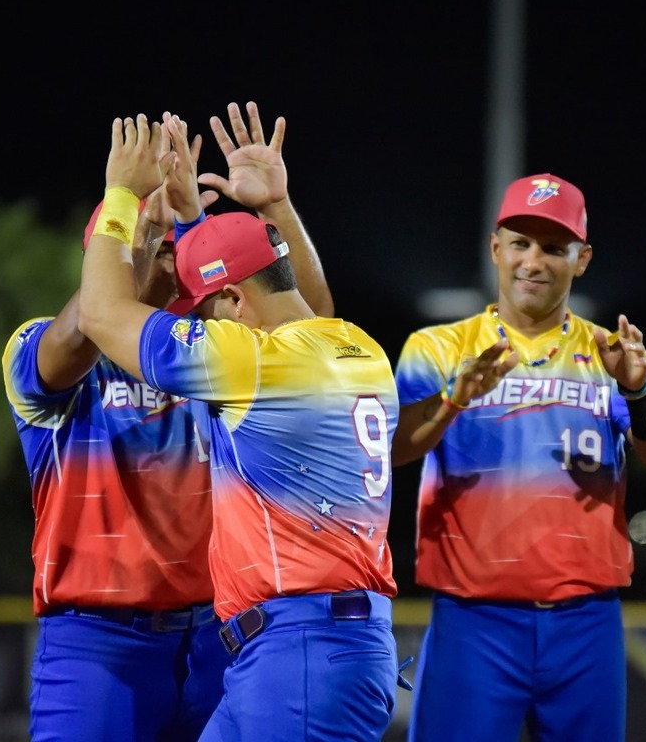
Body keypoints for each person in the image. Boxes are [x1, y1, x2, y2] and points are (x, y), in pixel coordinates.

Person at [2, 101, 334, 742]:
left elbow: (310, 333)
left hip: (223, 632)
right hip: (98, 643)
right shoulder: (41, 348)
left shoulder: (221, 345)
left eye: (171, 241)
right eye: (141, 237)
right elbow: (85, 329)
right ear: (106, 256)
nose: (162, 248)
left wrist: (265, 213)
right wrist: (123, 200)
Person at [76, 111, 403, 741]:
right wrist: (226, 224)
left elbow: (100, 312)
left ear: (231, 305)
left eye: (209, 312)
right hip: (330, 643)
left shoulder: (250, 360)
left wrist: (121, 193)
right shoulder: (360, 348)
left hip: (300, 652)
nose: (206, 326)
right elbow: (268, 292)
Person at [391, 172, 646, 742]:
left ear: (582, 259)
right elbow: (394, 451)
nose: (534, 260)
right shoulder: (439, 347)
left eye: (554, 248)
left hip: (586, 621)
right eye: (521, 242)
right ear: (495, 246)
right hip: (474, 619)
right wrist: (453, 399)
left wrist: (639, 389)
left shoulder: (611, 351)